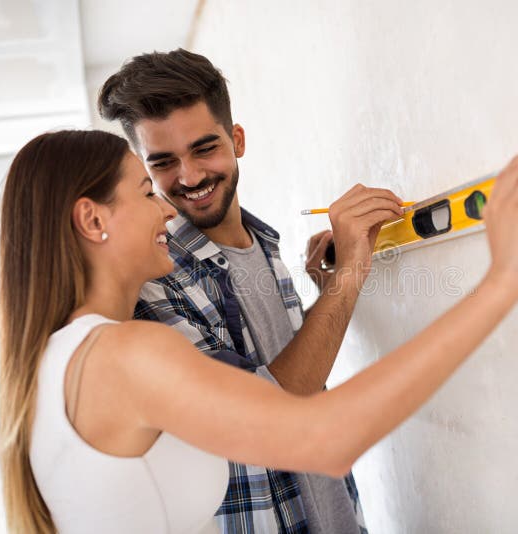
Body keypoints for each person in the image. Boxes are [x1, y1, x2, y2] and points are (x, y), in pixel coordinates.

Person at [0, 127, 518, 534]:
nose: (167, 212)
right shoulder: (122, 354)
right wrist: (505, 279)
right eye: (146, 192)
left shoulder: (56, 358)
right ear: (93, 220)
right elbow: (324, 439)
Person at [97, 49, 410, 534]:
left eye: (205, 149)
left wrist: (325, 294)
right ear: (144, 169)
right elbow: (272, 408)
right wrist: (347, 279)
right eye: (163, 162)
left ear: (236, 139)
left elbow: (283, 367)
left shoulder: (265, 245)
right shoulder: (153, 290)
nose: (191, 177)